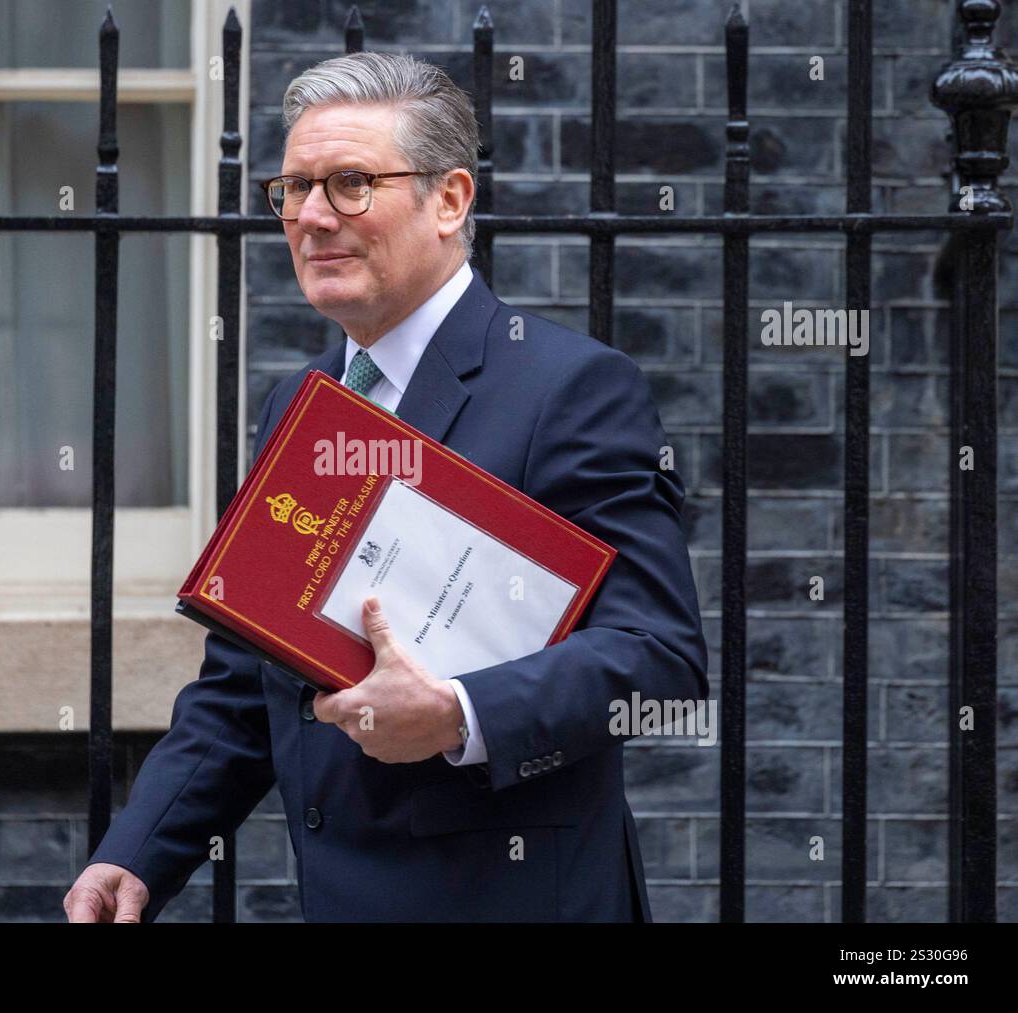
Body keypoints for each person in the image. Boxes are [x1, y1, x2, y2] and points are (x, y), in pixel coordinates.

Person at [64, 50, 708, 923]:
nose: (313, 216)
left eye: (352, 183)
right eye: (293, 189)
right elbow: (250, 678)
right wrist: (137, 854)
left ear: (450, 201)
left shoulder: (567, 388)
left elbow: (658, 658)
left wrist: (457, 714)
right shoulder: (296, 403)